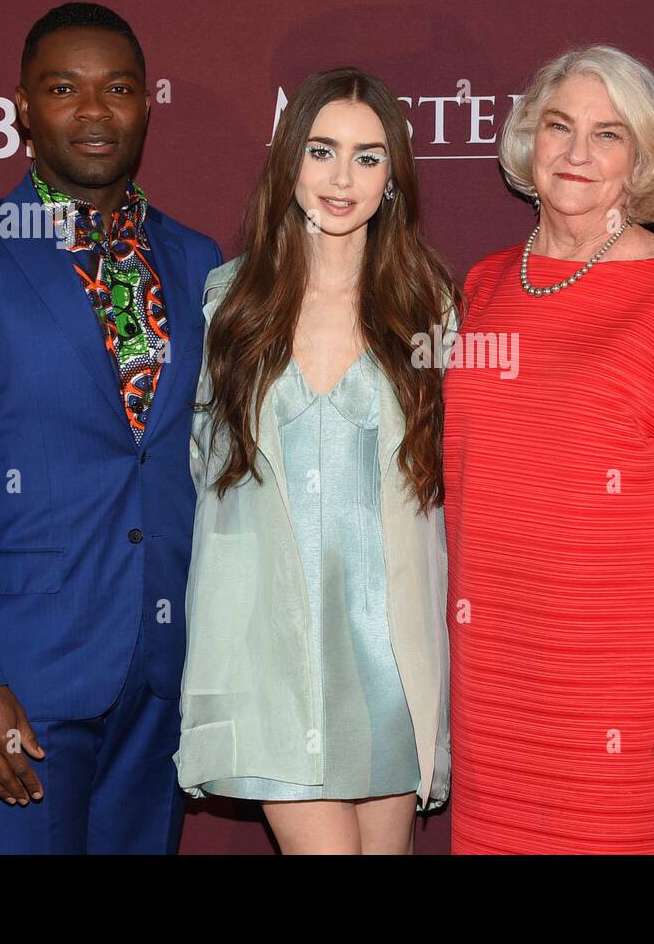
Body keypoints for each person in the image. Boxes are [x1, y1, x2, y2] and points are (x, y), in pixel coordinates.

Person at [0, 3, 223, 853]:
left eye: (116, 87)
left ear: (148, 104)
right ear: (23, 108)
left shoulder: (198, 262)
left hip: (165, 672)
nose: (93, 110)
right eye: (63, 88)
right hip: (25, 679)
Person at [442, 45, 654, 854]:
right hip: (496, 656)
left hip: (622, 660)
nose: (577, 152)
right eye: (558, 126)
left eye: (607, 134)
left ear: (641, 159)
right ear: (526, 140)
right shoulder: (484, 283)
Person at [175, 67, 455, 855]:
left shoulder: (429, 304)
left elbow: (447, 477)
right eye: (323, 150)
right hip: (273, 650)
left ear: (393, 179)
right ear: (289, 161)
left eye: (369, 158)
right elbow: (206, 467)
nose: (342, 177)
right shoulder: (230, 301)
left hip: (390, 653)